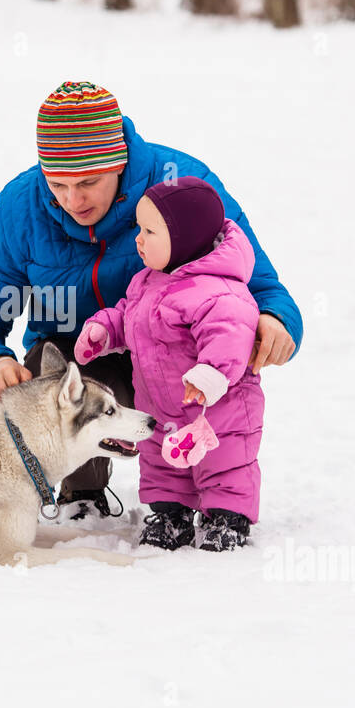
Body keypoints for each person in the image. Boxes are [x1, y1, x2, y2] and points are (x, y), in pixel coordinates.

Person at [0, 81, 301, 519]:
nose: (73, 200)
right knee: (53, 371)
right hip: (80, 355)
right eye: (58, 184)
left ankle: (218, 497)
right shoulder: (22, 209)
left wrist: (274, 318)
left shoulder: (182, 186)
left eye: (88, 182)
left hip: (178, 356)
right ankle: (77, 491)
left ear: (119, 163)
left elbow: (256, 280)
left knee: (218, 361)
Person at [75, 177, 261, 551]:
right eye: (138, 229)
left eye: (149, 231)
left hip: (216, 411)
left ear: (184, 240)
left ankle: (228, 519)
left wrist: (209, 375)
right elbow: (132, 316)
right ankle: (170, 516)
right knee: (162, 463)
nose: (138, 240)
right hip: (160, 406)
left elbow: (232, 336)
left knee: (223, 464)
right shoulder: (147, 282)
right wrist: (107, 330)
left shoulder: (217, 290)